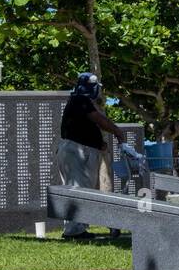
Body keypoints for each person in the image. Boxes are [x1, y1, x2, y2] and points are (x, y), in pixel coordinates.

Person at [54, 72, 127, 239]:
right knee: (78, 189)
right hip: (76, 152)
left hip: (78, 150)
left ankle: (78, 228)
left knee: (82, 189)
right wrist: (116, 130)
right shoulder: (80, 100)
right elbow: (99, 119)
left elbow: (86, 127)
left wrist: (99, 143)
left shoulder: (79, 101)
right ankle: (74, 230)